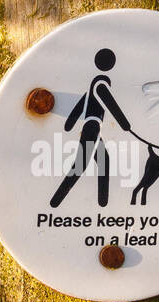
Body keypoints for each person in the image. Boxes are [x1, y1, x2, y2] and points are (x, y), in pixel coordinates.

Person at [49, 48, 131, 209]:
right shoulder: (101, 83)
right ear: (111, 64)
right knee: (80, 165)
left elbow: (83, 102)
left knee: (103, 160)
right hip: (92, 126)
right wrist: (125, 125)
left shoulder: (94, 81)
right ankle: (55, 201)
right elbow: (110, 103)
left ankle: (103, 203)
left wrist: (69, 124)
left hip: (92, 127)